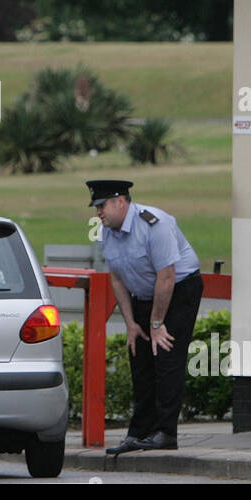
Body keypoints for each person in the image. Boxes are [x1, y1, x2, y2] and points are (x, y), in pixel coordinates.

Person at [86, 179, 204, 454]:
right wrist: (131, 324)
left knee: (165, 356)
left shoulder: (155, 224)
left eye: (102, 206)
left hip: (178, 291)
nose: (98, 213)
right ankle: (139, 432)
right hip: (143, 295)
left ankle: (165, 433)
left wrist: (156, 324)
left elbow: (167, 277)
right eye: (96, 207)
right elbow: (116, 279)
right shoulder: (107, 232)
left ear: (120, 201)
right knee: (139, 357)